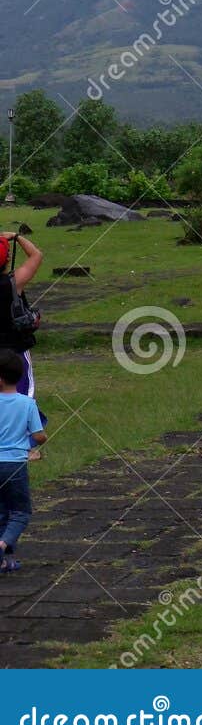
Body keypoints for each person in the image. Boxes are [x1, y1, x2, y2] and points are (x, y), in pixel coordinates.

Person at [0, 347, 46, 574]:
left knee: (1, 513)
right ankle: (2, 545)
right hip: (15, 466)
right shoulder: (27, 404)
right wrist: (38, 443)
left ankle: (6, 560)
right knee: (20, 512)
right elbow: (38, 436)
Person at [0, 232, 44, 399]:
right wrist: (16, 236)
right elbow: (36, 255)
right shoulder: (14, 282)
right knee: (23, 395)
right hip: (16, 349)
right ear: (7, 259)